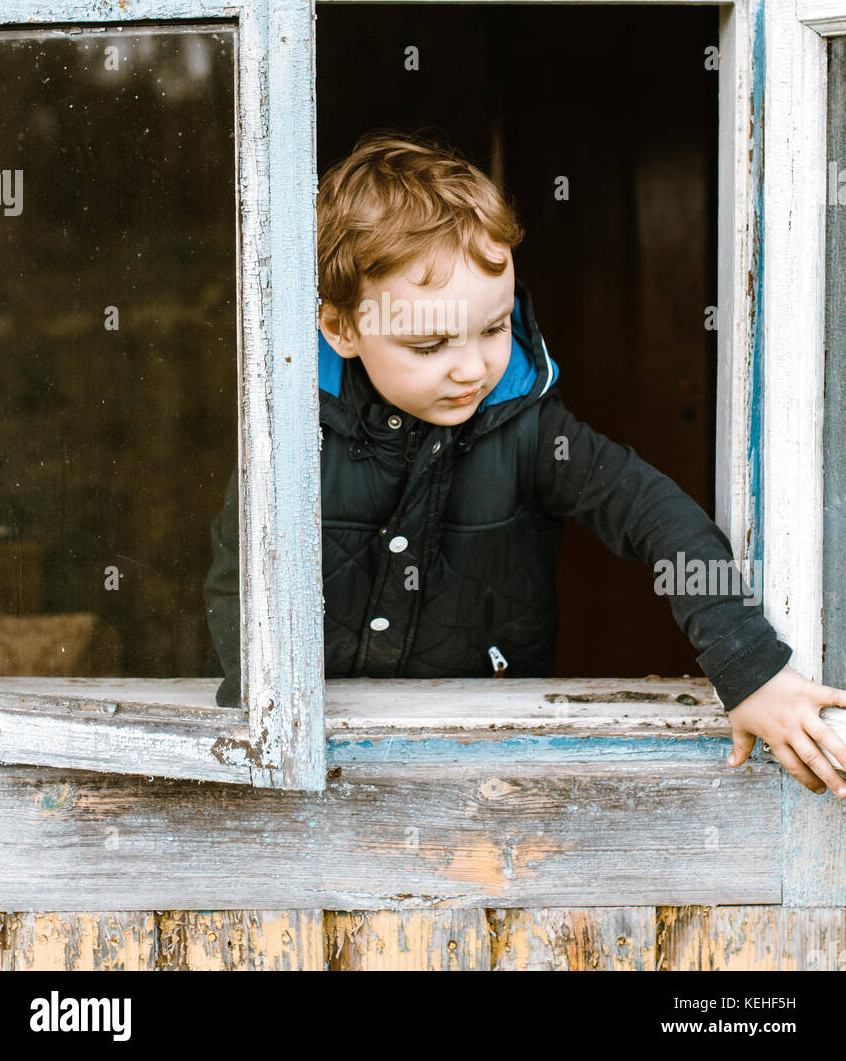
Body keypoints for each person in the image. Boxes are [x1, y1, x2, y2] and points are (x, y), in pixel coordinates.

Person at [204, 131, 846, 798]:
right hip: (318, 763)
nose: (474, 366)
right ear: (339, 330)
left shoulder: (532, 431)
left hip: (492, 762)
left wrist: (750, 669)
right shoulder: (290, 437)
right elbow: (240, 579)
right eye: (429, 343)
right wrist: (265, 711)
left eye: (495, 327)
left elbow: (662, 519)